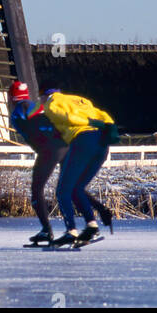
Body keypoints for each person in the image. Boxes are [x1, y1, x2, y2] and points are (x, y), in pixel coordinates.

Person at [8, 79, 111, 246]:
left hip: (50, 151)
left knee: (38, 188)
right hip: (66, 147)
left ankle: (47, 231)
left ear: (11, 97)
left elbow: (37, 115)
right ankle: (97, 213)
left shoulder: (22, 107)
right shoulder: (36, 105)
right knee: (72, 187)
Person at [39, 84, 117, 248]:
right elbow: (104, 116)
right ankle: (91, 226)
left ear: (45, 95)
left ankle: (71, 232)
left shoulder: (51, 104)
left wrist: (88, 122)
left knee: (62, 191)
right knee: (77, 188)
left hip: (83, 140)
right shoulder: (81, 100)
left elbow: (69, 118)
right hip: (102, 144)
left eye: (40, 98)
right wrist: (105, 124)